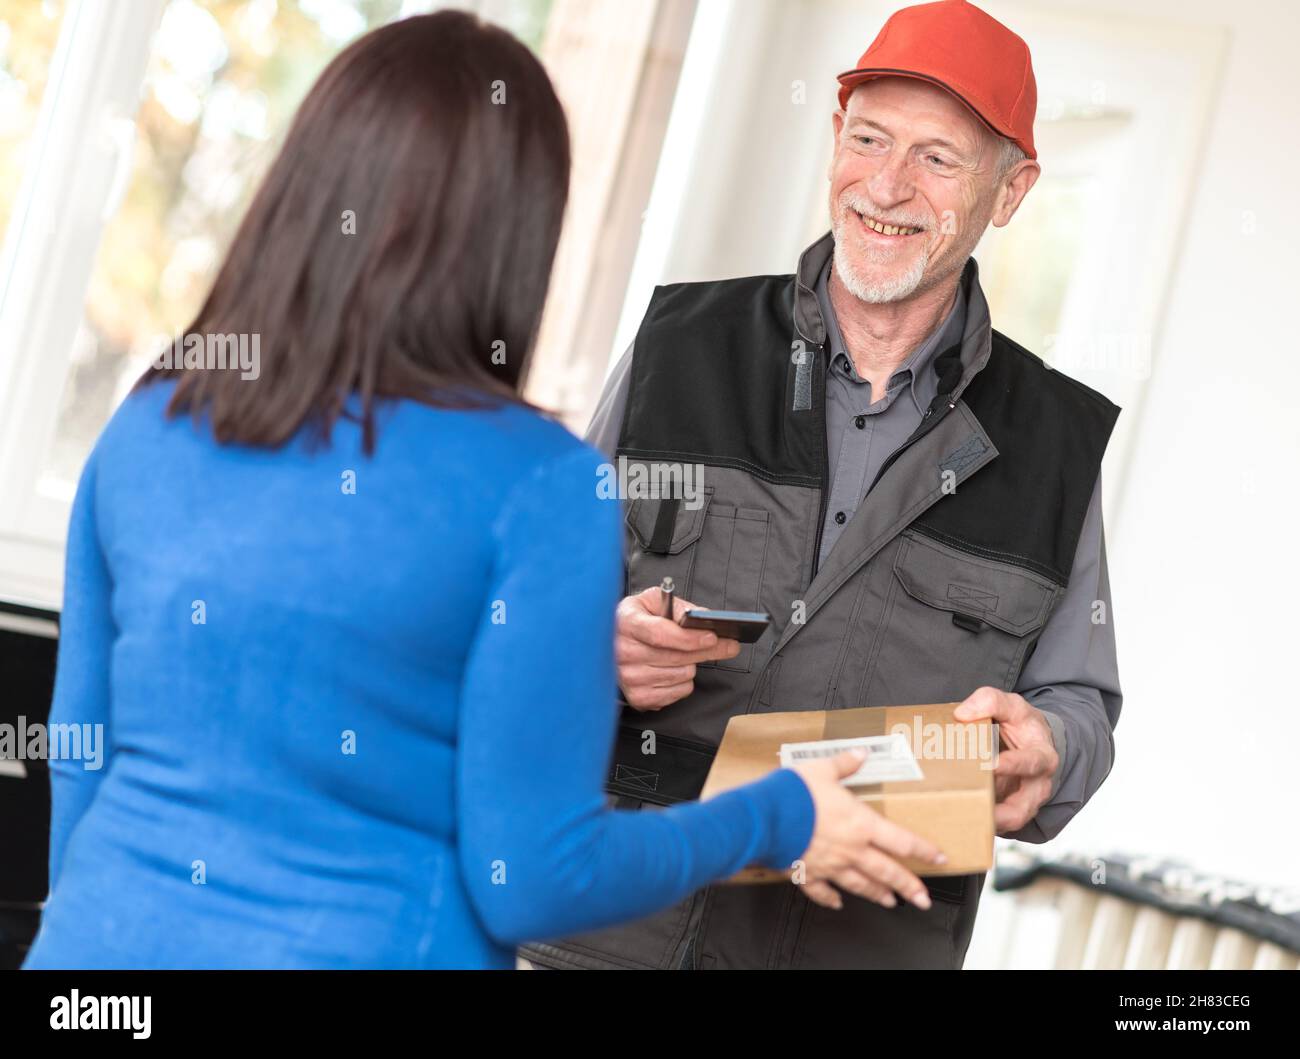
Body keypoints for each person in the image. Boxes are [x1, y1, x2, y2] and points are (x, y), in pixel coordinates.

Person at [20, 10, 947, 971]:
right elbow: (533, 877)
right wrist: (777, 816)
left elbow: (80, 747)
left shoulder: (152, 423)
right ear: (517, 230)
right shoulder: (539, 489)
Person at [522, 0, 1123, 970]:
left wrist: (1050, 744)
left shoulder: (1053, 443)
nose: (885, 184)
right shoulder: (682, 349)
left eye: (937, 157)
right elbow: (530, 618)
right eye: (869, 138)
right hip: (602, 936)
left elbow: (1080, 702)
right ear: (833, 141)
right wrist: (600, 648)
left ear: (1010, 192)